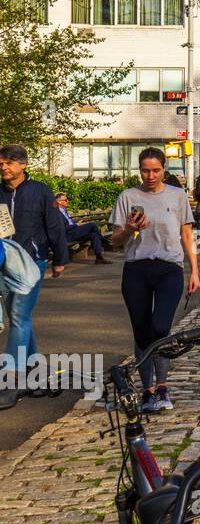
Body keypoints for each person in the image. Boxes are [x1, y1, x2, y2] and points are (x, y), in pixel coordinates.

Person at [109, 147, 200, 413]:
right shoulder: (127, 197)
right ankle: (148, 390)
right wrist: (129, 229)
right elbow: (115, 241)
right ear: (139, 170)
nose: (150, 175)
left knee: (160, 327)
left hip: (169, 268)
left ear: (164, 170)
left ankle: (163, 386)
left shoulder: (177, 195)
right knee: (141, 332)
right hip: (136, 269)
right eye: (145, 170)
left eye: (156, 170)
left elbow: (187, 235)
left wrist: (194, 270)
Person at [0, 145, 68, 409]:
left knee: (18, 317)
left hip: (32, 262)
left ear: (24, 164)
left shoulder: (40, 191)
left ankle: (10, 378)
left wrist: (60, 259)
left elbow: (54, 225)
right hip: (4, 263)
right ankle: (38, 372)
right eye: (2, 163)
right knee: (21, 317)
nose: (5, 167)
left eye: (9, 163)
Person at [53, 193, 112, 265]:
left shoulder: (64, 210)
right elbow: (62, 228)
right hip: (67, 235)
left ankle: (99, 258)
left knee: (94, 235)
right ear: (59, 201)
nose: (67, 201)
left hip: (74, 231)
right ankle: (104, 241)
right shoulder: (56, 213)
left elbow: (69, 223)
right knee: (92, 225)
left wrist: (77, 224)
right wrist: (76, 225)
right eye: (65, 200)